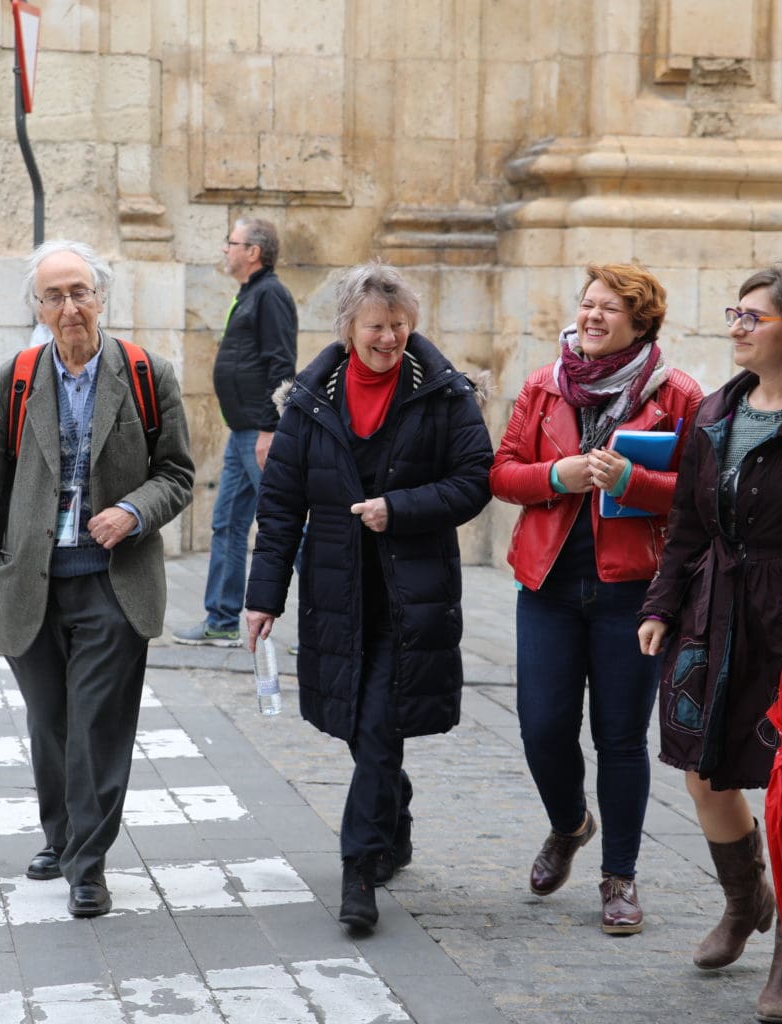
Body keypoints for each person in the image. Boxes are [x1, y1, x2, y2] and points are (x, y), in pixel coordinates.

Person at [0, 240, 194, 919]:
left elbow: (178, 475)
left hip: (114, 581)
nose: (70, 306)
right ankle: (62, 836)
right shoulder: (11, 384)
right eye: (55, 296)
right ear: (40, 308)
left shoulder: (145, 373)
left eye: (80, 292)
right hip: (32, 584)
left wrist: (134, 511)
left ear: (100, 297)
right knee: (52, 723)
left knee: (97, 727)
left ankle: (88, 862)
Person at [637, 265, 782, 1021]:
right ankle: (746, 900)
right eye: (735, 314)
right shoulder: (713, 413)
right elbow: (689, 528)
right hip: (713, 612)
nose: (735, 326)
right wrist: (662, 606)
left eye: (752, 316)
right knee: (703, 771)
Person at [243, 263, 493, 934]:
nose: (390, 339)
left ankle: (360, 872)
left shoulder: (444, 395)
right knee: (363, 726)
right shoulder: (308, 400)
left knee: (378, 729)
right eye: (377, 327)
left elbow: (475, 481)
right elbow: (282, 505)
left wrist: (400, 508)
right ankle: (395, 810)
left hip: (411, 596)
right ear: (349, 328)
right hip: (337, 591)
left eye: (400, 326)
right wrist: (262, 598)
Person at [491, 263, 702, 935]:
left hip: (631, 592)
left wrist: (634, 481)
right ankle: (569, 824)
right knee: (542, 726)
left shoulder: (677, 395)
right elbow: (501, 473)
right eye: (587, 304)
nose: (592, 316)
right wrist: (559, 473)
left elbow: (701, 495)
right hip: (548, 585)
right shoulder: (543, 386)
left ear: (641, 323)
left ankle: (620, 878)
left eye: (609, 308)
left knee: (619, 736)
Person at [174, 218, 299, 648]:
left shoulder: (271, 295)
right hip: (241, 431)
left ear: (254, 252)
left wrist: (270, 428)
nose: (225, 249)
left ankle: (333, 619)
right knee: (227, 523)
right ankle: (222, 618)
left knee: (288, 525)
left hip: (258, 433)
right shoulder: (250, 294)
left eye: (232, 242)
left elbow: (281, 364)